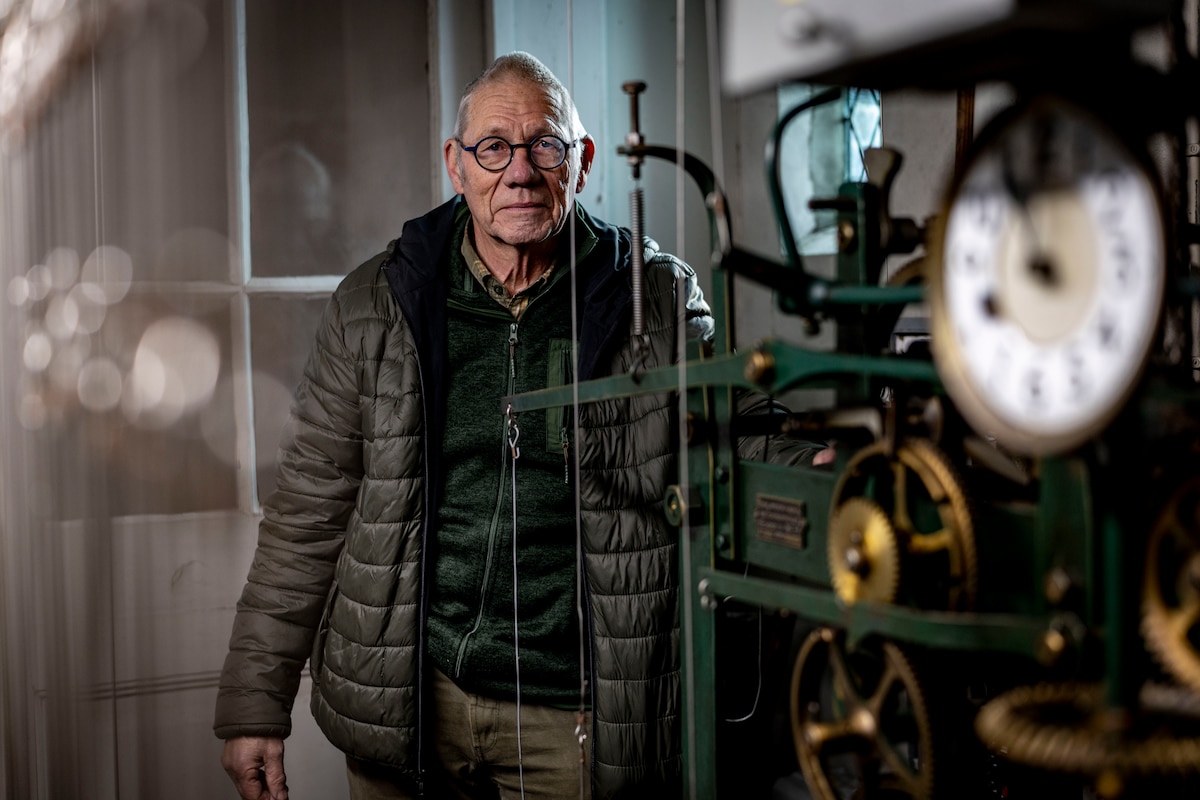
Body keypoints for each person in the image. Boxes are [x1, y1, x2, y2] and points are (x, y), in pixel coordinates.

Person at [215, 51, 815, 800]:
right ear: (456, 166)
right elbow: (307, 512)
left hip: (580, 717)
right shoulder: (378, 302)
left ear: (583, 160)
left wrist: (816, 467)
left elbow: (728, 436)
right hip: (412, 699)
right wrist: (254, 704)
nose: (520, 172)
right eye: (493, 148)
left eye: (546, 146)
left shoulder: (654, 298)